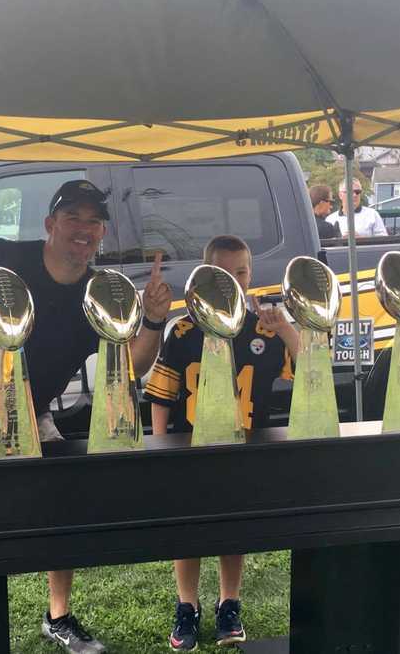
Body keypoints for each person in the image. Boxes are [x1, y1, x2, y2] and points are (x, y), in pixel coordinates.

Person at [0, 178, 173, 654]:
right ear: (51, 223)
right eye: (73, 217)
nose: (84, 229)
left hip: (32, 417)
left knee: (60, 512)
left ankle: (58, 617)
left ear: (102, 233)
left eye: (94, 221)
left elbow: (130, 367)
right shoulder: (2, 260)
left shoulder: (98, 291)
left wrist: (154, 320)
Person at [143, 235, 299, 651]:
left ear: (251, 274)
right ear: (204, 276)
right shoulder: (184, 330)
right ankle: (187, 605)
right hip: (189, 448)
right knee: (187, 529)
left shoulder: (263, 329)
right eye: (223, 272)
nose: (233, 279)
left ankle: (229, 603)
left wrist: (285, 328)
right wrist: (161, 448)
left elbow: (309, 369)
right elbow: (161, 395)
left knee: (235, 529)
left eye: (241, 271)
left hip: (244, 449)